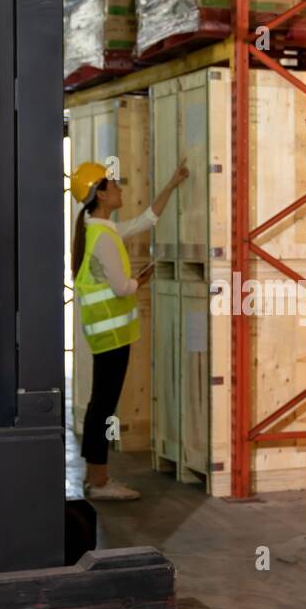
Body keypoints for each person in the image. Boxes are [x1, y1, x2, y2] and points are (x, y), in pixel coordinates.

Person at [71, 158, 187, 500]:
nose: (120, 188)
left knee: (99, 404)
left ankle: (96, 478)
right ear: (101, 195)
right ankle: (100, 481)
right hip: (112, 334)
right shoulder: (103, 237)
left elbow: (145, 220)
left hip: (104, 332)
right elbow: (122, 288)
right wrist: (141, 280)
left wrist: (172, 183)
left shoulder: (98, 230)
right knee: (103, 406)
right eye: (114, 185)